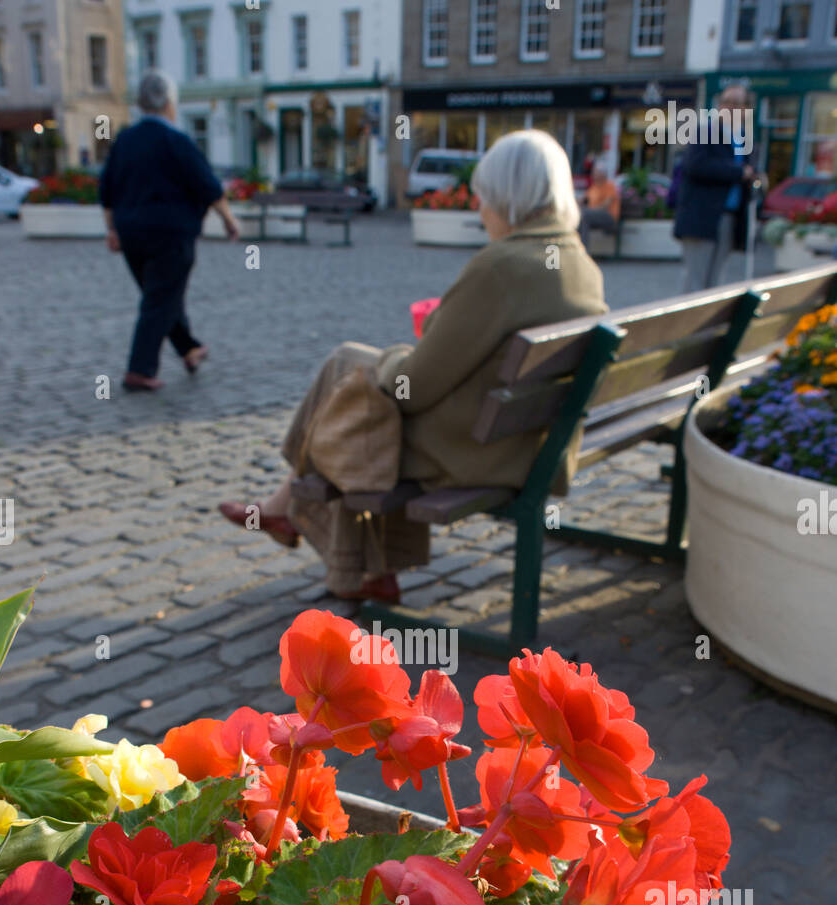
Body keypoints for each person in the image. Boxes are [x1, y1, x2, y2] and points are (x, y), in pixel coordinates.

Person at [219, 129, 607, 602]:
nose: (479, 210)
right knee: (356, 390)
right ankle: (344, 554)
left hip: (481, 453)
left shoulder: (502, 267)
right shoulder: (579, 262)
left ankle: (299, 520)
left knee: (353, 387)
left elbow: (413, 386)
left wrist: (395, 359)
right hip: (532, 442)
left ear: (506, 198)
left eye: (482, 198)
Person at [99, 70, 240, 392]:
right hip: (170, 233)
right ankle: (139, 369)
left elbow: (106, 190)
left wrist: (111, 230)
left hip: (132, 233)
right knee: (159, 299)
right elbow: (208, 185)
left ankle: (189, 349)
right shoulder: (176, 141)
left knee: (161, 294)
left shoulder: (124, 141)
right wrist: (229, 220)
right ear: (169, 105)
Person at [673, 84, 760, 293]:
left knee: (715, 281)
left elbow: (747, 170)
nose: (731, 108)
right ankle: (690, 324)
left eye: (737, 103)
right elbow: (695, 166)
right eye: (727, 102)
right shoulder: (705, 131)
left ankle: (709, 324)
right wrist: (739, 173)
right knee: (695, 280)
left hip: (729, 216)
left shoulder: (745, 139)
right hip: (701, 216)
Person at [579, 157, 621, 250]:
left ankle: (583, 250)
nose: (593, 174)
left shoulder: (610, 186)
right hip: (593, 216)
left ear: (603, 174)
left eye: (595, 172)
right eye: (593, 172)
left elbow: (605, 206)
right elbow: (582, 200)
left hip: (609, 218)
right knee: (579, 216)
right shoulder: (594, 187)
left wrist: (589, 210)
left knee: (584, 215)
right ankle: (578, 249)